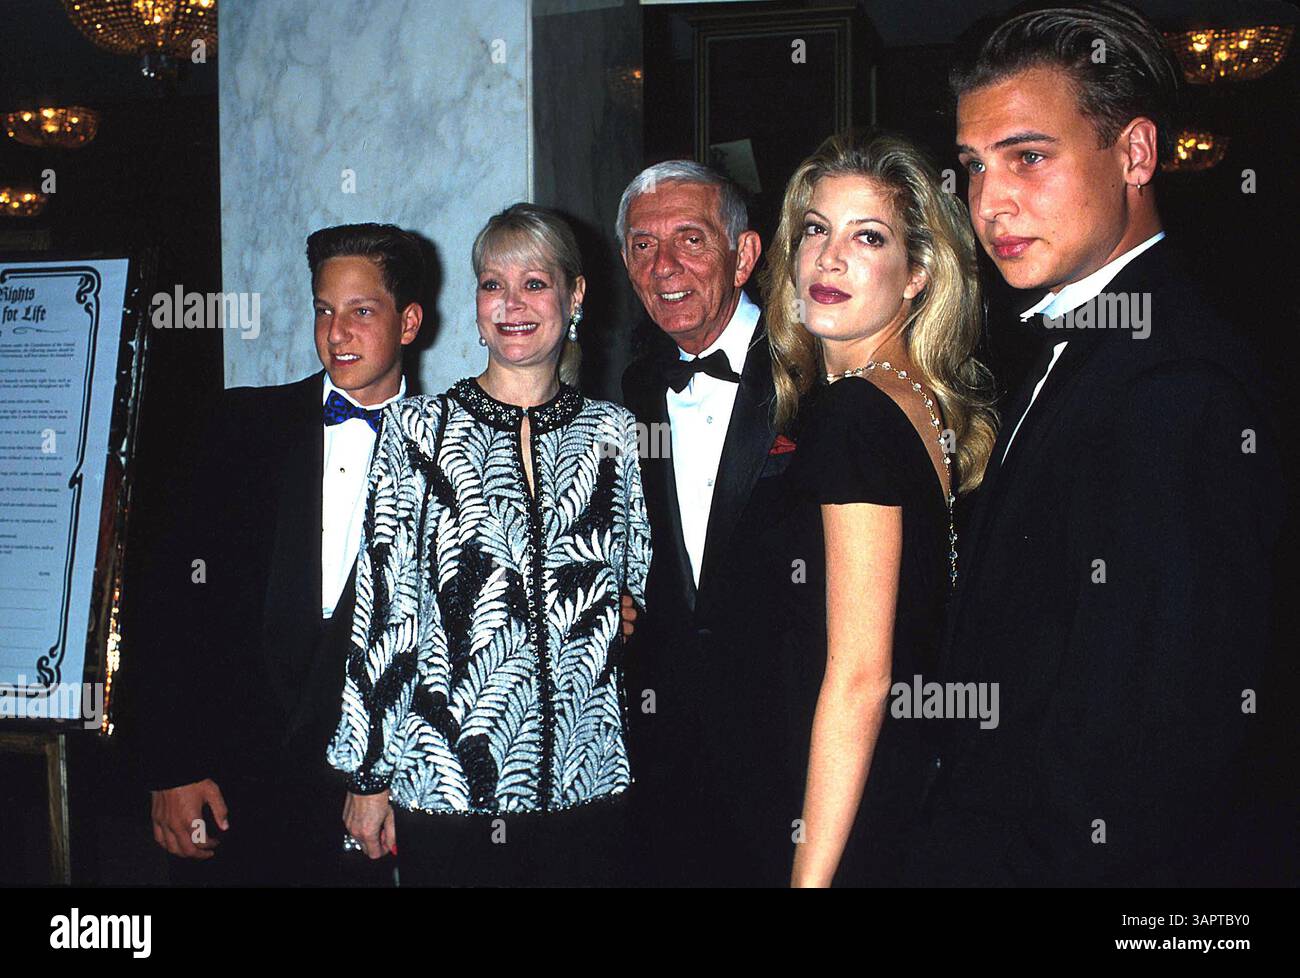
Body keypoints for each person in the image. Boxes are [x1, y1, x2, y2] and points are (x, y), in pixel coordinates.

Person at [909, 0, 1284, 886]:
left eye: (1028, 157)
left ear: (1137, 154)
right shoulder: (1083, 343)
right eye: (972, 166)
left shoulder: (1175, 387)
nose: (987, 201)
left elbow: (1149, 755)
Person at [329, 203, 651, 887]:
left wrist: (627, 608)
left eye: (534, 283)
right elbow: (383, 610)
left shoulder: (615, 433)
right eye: (492, 284)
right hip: (447, 786)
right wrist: (368, 772)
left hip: (588, 781)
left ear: (575, 295)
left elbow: (640, 576)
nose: (512, 304)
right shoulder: (419, 429)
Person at [126, 223, 423, 885]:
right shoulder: (238, 429)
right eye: (324, 310)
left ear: (408, 322)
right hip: (232, 799)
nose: (336, 333)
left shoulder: (452, 452)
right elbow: (166, 598)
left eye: (361, 311)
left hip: (378, 809)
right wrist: (171, 765)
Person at [761, 130, 997, 886]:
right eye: (815, 231)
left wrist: (809, 879)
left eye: (868, 237)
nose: (829, 258)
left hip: (847, 809)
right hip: (898, 783)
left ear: (918, 274)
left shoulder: (856, 414)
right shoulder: (915, 399)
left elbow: (861, 672)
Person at [618, 161, 803, 886]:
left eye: (690, 240)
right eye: (641, 245)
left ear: (745, 255)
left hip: (793, 739)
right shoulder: (635, 387)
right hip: (670, 748)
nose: (663, 266)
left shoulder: (814, 371)